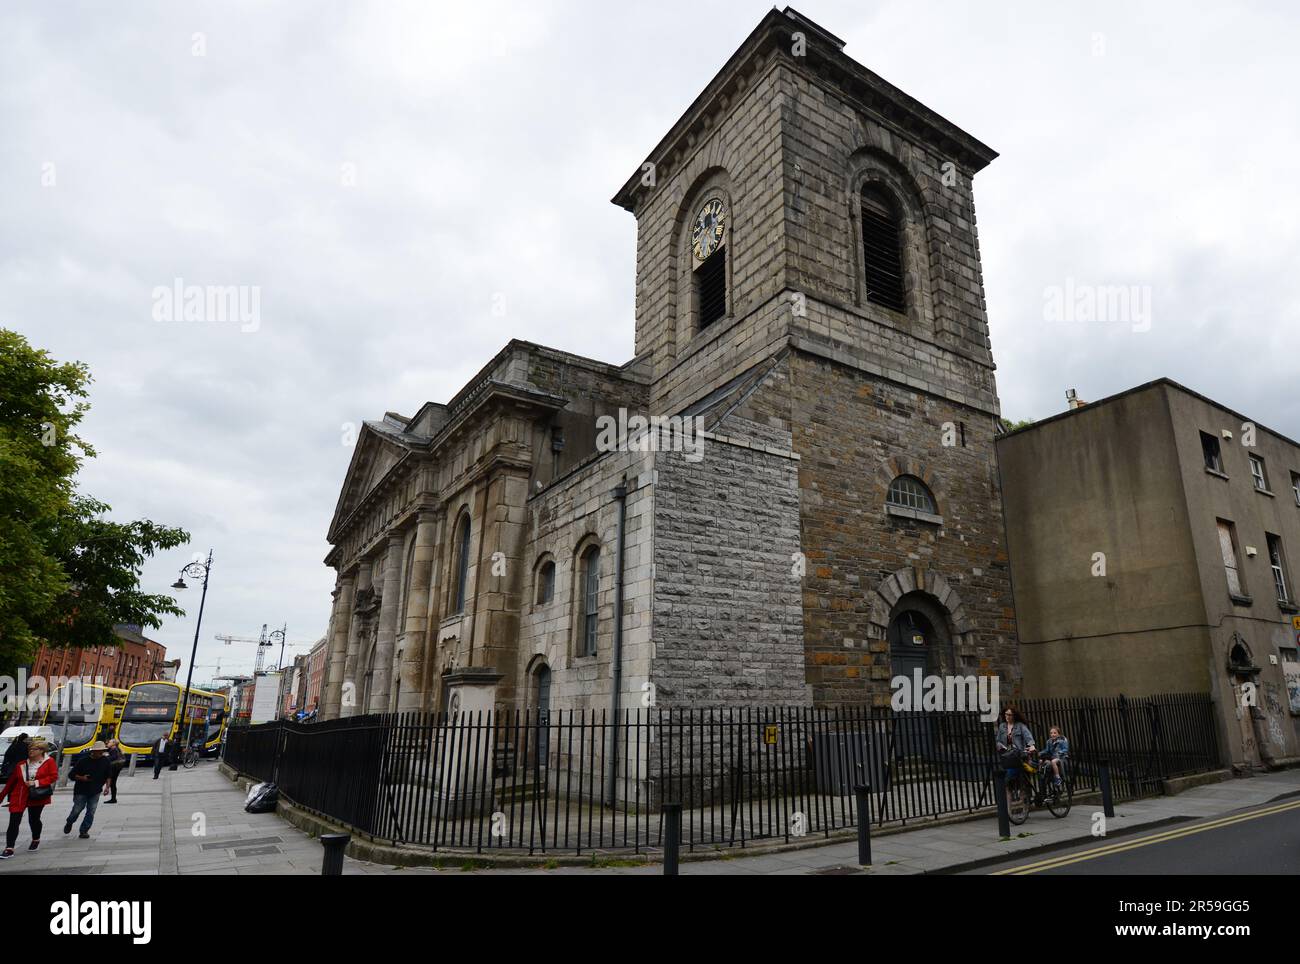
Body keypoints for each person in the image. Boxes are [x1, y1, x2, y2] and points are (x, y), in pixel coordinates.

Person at [0, 739, 58, 858]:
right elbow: (11, 782)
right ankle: (9, 848)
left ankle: (35, 839)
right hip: (19, 795)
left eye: (34, 749)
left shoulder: (49, 762)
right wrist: (1, 796)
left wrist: (36, 782)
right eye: (30, 749)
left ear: (42, 751)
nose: (31, 751)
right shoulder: (21, 764)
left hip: (37, 795)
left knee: (34, 819)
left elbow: (53, 777)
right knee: (14, 821)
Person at [64, 741, 112, 839]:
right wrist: (82, 778)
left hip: (96, 790)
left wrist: (107, 787)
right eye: (99, 751)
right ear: (93, 751)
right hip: (81, 790)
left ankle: (84, 831)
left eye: (102, 751)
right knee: (77, 810)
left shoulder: (105, 761)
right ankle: (70, 821)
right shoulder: (83, 761)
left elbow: (109, 775)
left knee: (91, 811)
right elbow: (71, 775)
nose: (101, 753)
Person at [995, 705, 1036, 792]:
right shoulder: (1002, 726)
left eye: (1010, 715)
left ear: (1014, 716)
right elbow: (998, 740)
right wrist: (1000, 746)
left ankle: (1024, 800)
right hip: (1007, 756)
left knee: (1022, 781)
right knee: (1008, 780)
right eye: (1006, 714)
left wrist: (1031, 745)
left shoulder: (1020, 726)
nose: (1007, 717)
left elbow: (1028, 737)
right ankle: (1009, 803)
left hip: (1019, 755)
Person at [1041, 725, 1070, 790]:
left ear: (1058, 733)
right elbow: (1047, 750)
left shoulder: (1063, 739)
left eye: (1054, 733)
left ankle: (1058, 777)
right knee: (1042, 761)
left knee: (1053, 762)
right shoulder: (1049, 741)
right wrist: (1040, 753)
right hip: (1053, 758)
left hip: (1062, 758)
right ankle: (1044, 778)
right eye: (1051, 733)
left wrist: (1059, 752)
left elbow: (1065, 749)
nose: (1052, 734)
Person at [104, 739, 124, 803]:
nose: (108, 743)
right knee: (113, 783)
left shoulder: (114, 750)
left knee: (112, 783)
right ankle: (113, 798)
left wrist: (106, 756)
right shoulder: (115, 749)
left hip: (114, 768)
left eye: (110, 742)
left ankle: (113, 799)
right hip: (116, 768)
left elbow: (112, 758)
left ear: (114, 744)